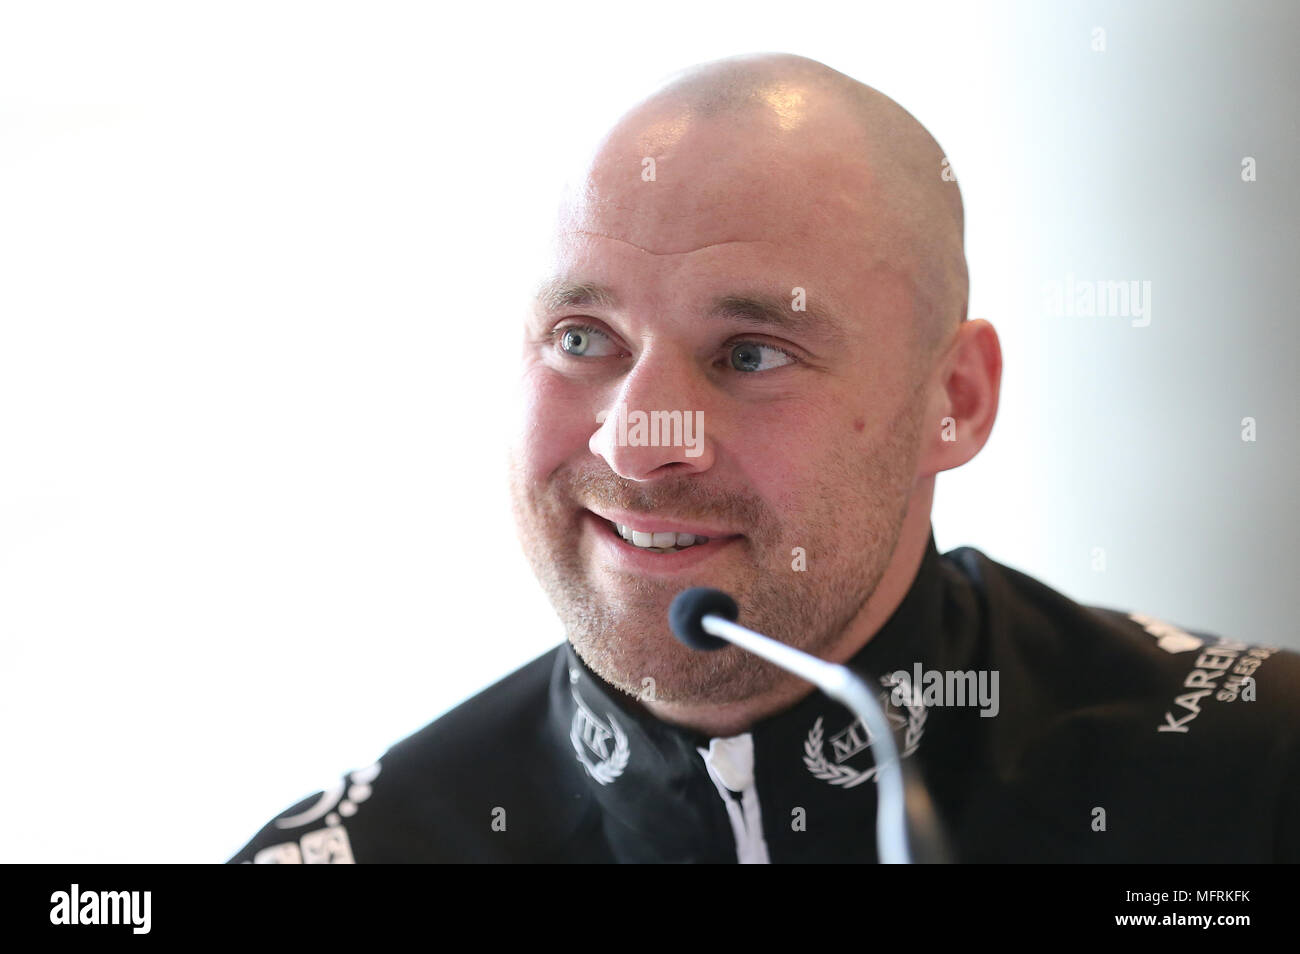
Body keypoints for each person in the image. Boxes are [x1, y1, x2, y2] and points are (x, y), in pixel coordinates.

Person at [228, 53, 1300, 864]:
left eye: (748, 354)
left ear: (955, 401)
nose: (638, 446)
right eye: (582, 340)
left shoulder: (1251, 778)